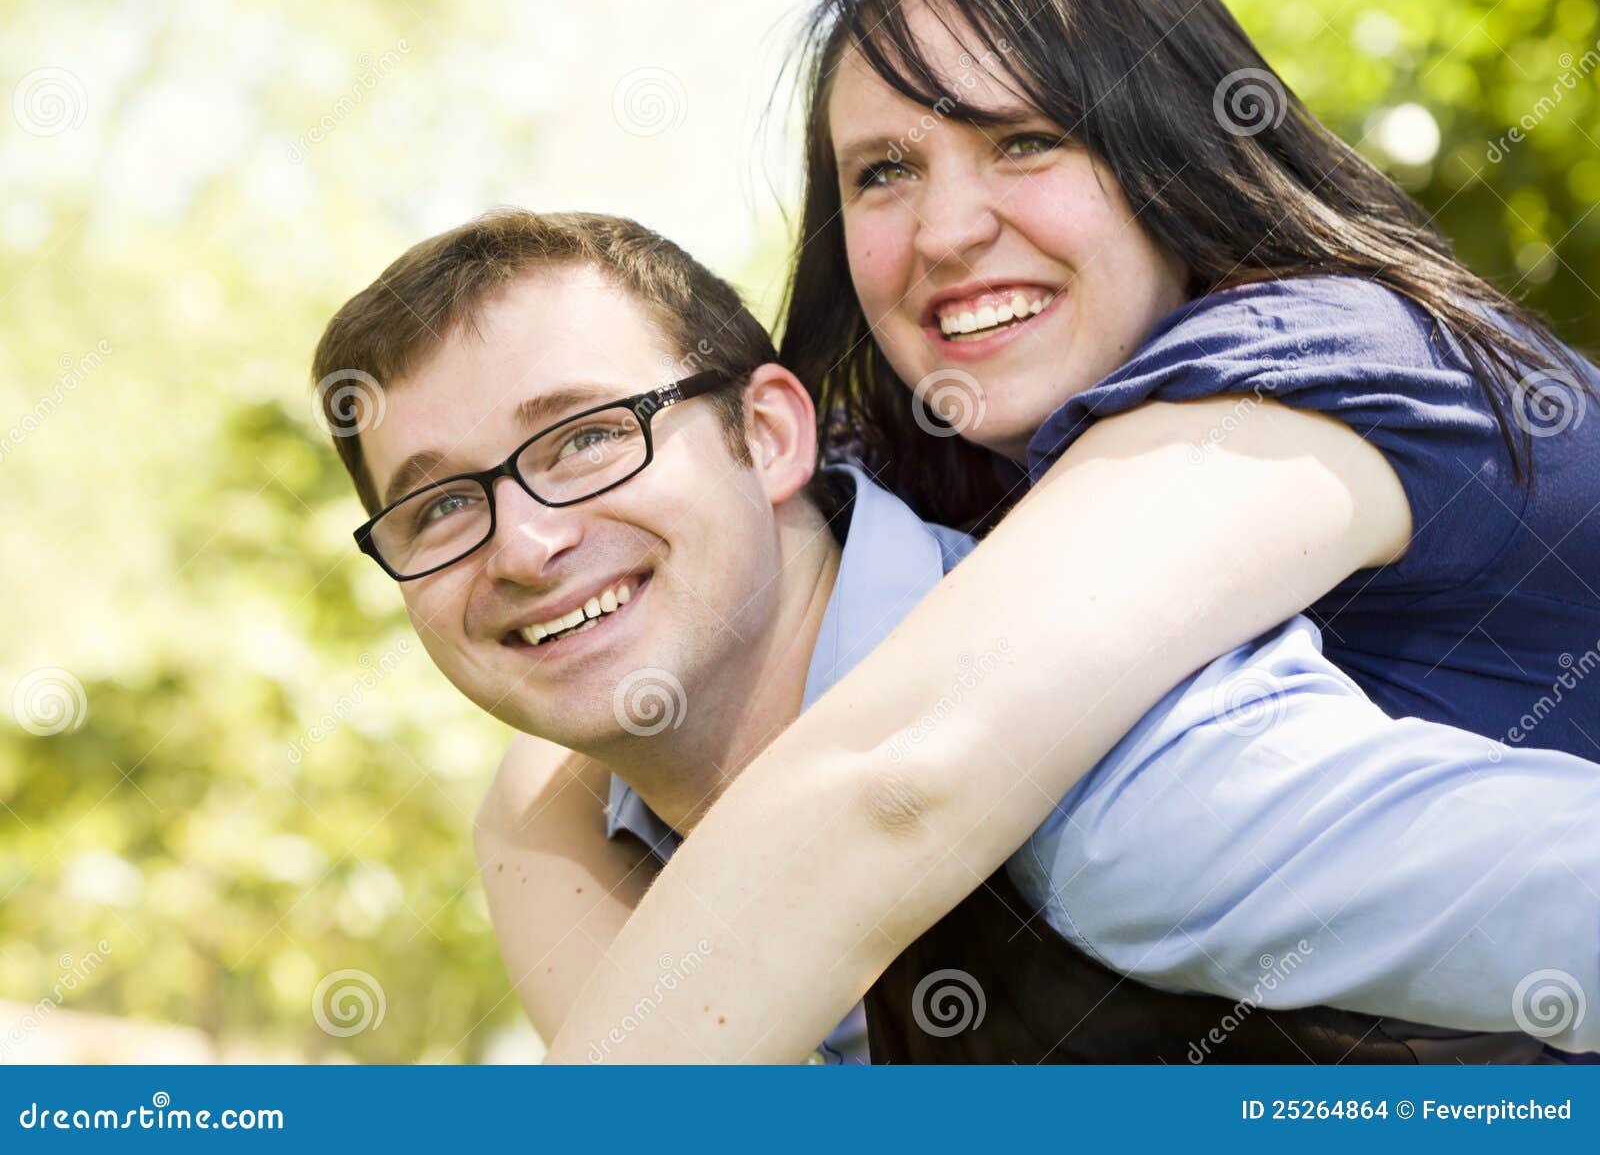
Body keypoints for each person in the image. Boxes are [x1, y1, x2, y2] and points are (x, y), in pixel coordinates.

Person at [544, 0, 1600, 1062]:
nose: (946, 232)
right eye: (884, 171)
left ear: (1174, 143)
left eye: (1025, 140)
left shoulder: (1308, 365)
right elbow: (552, 766)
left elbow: (901, 777)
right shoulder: (952, 464)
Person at [312, 209, 1598, 1063]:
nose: (523, 543)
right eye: (438, 506)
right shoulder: (592, 841)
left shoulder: (1104, 763)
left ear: (769, 435)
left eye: (587, 437)